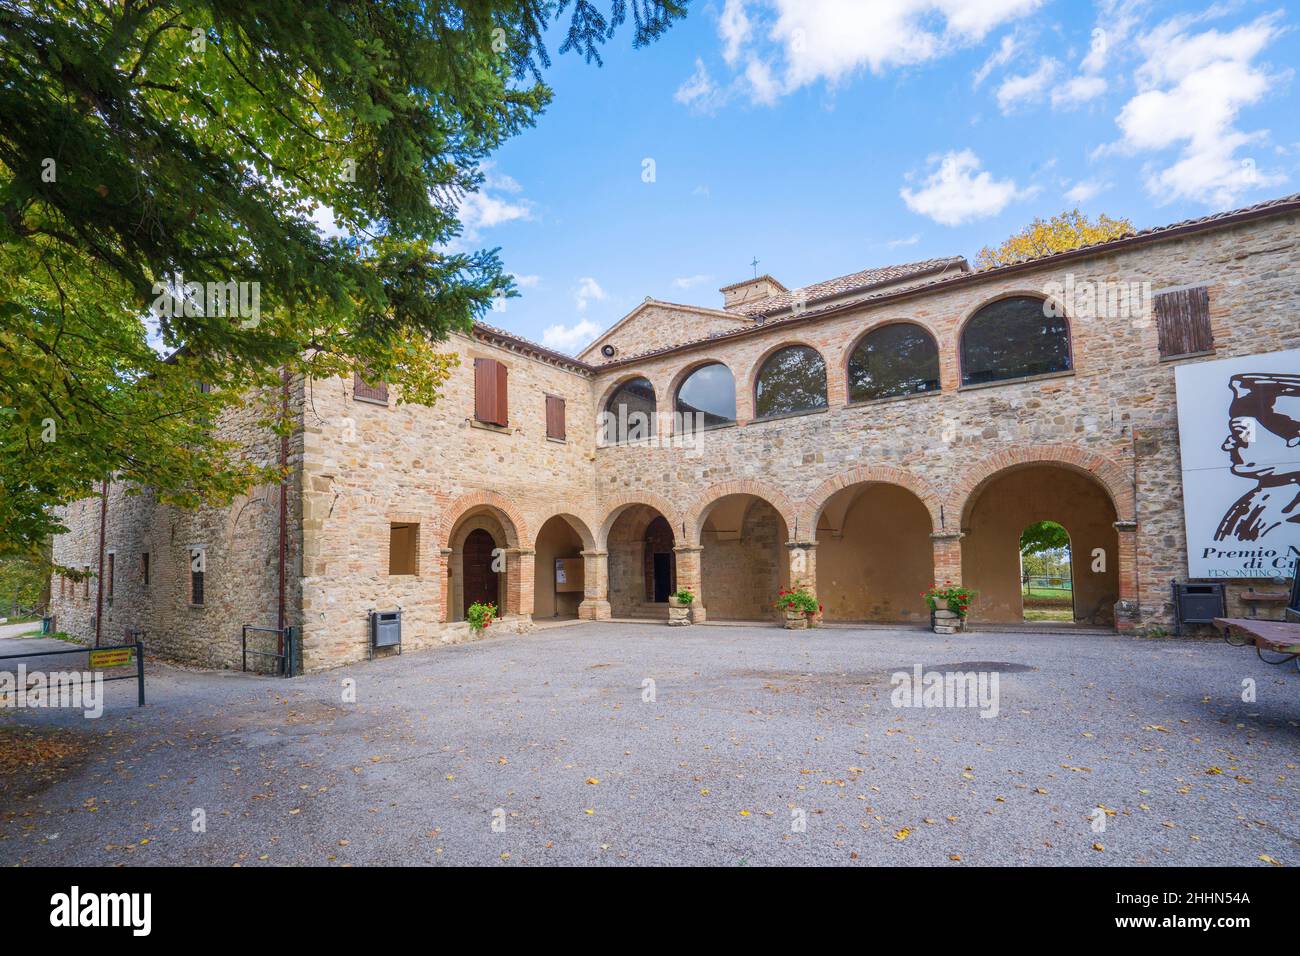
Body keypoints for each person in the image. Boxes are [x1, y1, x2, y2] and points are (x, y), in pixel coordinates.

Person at [1214, 372, 1300, 542]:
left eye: (1240, 433)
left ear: (1295, 439)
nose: (1227, 445)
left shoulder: (1293, 511)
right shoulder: (1264, 497)